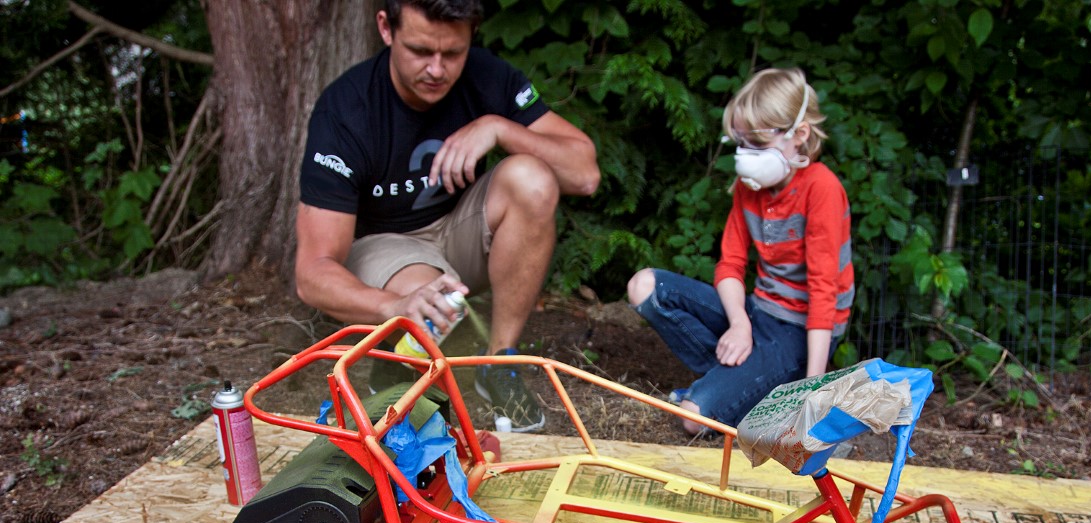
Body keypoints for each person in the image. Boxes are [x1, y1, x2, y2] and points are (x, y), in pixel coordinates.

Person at [294, 0, 600, 432]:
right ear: (386, 28)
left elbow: (584, 174)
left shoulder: (487, 75)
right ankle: (398, 366)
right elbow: (312, 273)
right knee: (425, 306)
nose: (437, 69)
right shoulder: (346, 109)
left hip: (459, 230)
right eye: (420, 51)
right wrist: (393, 306)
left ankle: (501, 363)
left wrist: (499, 128)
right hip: (385, 247)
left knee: (532, 177)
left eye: (453, 53)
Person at [627, 68, 853, 435]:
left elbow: (823, 294)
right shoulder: (749, 188)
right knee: (645, 286)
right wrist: (739, 323)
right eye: (741, 144)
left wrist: (811, 392)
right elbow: (730, 265)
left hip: (798, 331)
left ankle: (766, 389)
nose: (746, 156)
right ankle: (743, 383)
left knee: (692, 419)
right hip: (759, 311)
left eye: (758, 146)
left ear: (799, 135)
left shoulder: (821, 188)